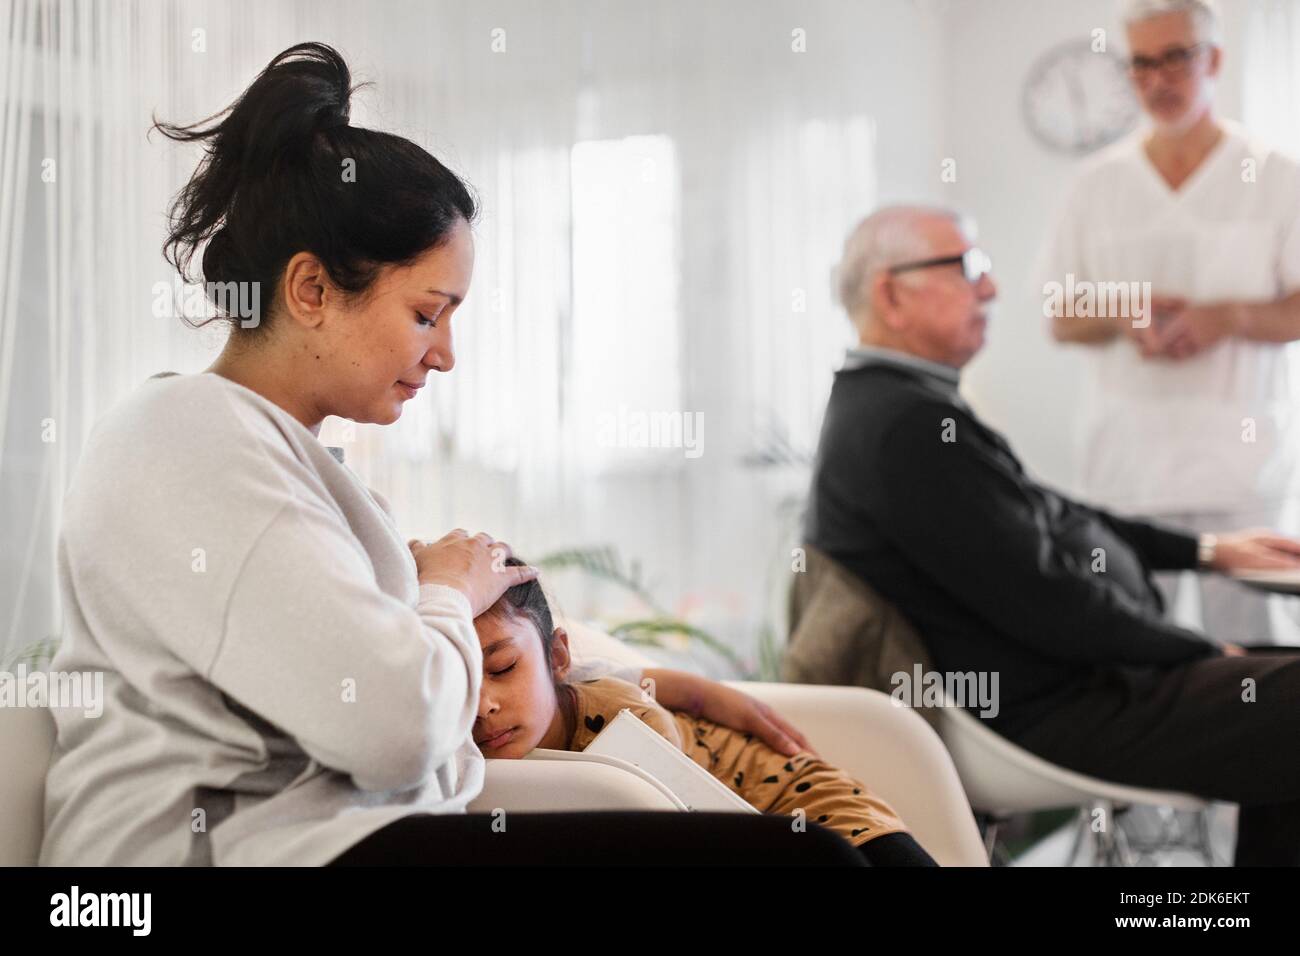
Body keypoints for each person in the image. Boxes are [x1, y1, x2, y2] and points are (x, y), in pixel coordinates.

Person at [40, 42, 861, 867]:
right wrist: (440, 586)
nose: (445, 356)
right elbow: (395, 723)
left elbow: (385, 655)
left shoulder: (282, 459)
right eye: (429, 314)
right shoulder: (191, 439)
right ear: (311, 291)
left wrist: (646, 678)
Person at [806, 204, 1300, 865]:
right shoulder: (905, 427)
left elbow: (1048, 509)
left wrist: (1205, 551)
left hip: (1072, 688)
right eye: (966, 268)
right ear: (892, 293)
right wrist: (1203, 649)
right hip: (1054, 711)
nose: (991, 288)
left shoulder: (904, 404)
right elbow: (1049, 603)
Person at [1041, 0, 1300, 644]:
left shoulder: (1275, 176)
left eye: (1176, 57)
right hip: (1125, 468)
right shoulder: (1095, 184)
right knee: (1132, 647)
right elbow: (1059, 315)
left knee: (1257, 656)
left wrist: (1230, 316)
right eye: (1141, 63)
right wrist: (1125, 310)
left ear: (1212, 59)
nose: (1159, 78)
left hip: (1239, 469)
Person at [443, 557, 939, 866]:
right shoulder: (446, 738)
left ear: (557, 658)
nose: (483, 705)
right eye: (458, 679)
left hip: (789, 789)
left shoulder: (627, 720)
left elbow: (697, 824)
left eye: (503, 668)